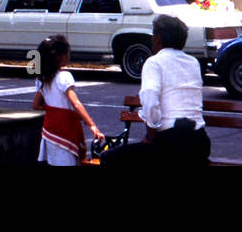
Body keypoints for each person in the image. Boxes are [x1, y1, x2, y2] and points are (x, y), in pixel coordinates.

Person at [102, 16, 208, 167]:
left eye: (153, 35)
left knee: (109, 158)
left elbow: (150, 102)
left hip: (172, 144)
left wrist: (151, 137)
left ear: (158, 38)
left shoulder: (154, 62)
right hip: (199, 143)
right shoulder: (193, 62)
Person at [33, 34, 102, 165]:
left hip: (50, 130)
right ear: (61, 57)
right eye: (68, 53)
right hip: (66, 130)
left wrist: (53, 110)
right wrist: (92, 125)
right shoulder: (64, 76)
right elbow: (75, 103)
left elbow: (36, 105)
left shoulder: (42, 79)